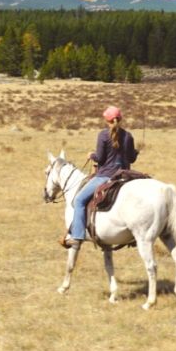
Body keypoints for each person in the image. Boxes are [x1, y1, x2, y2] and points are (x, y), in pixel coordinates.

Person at [62, 106, 138, 248]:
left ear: (106, 120)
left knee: (78, 200)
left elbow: (100, 158)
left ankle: (77, 237)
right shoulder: (128, 136)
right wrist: (136, 152)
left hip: (106, 176)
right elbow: (131, 159)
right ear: (120, 119)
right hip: (125, 176)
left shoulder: (103, 135)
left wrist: (91, 155)